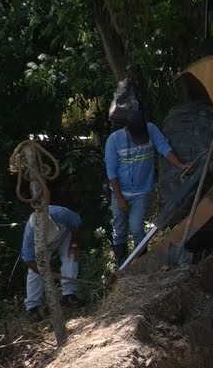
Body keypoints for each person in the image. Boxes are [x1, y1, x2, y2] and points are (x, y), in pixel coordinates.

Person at [103, 97, 189, 266]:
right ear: (127, 130)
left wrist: (181, 166)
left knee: (136, 228)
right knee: (119, 230)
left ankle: (141, 263)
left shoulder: (151, 130)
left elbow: (164, 148)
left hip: (141, 192)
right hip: (119, 191)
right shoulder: (114, 140)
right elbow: (111, 172)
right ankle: (121, 264)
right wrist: (119, 198)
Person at [22, 205, 82, 321]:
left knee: (71, 257)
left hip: (64, 236)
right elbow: (28, 259)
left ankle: (69, 294)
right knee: (35, 272)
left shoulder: (61, 213)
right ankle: (32, 307)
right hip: (43, 247)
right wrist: (46, 273)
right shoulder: (30, 233)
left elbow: (76, 223)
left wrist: (74, 245)